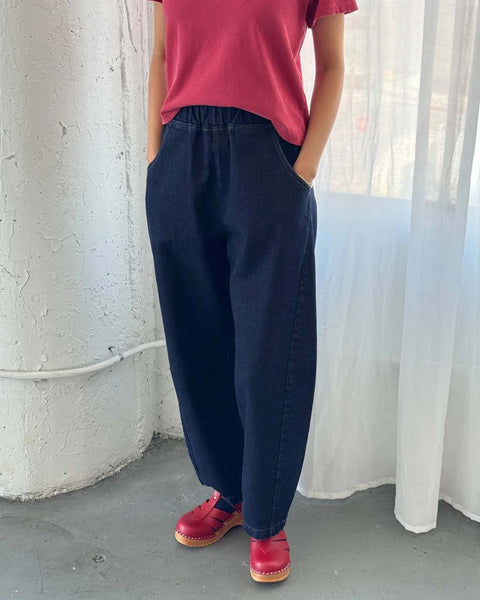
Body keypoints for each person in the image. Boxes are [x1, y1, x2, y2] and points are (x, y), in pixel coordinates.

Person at [145, 0, 358, 584]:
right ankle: (229, 492)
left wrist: (302, 173)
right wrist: (155, 159)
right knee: (197, 338)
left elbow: (333, 66)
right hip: (181, 155)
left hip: (268, 161)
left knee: (271, 349)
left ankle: (266, 517)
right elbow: (161, 55)